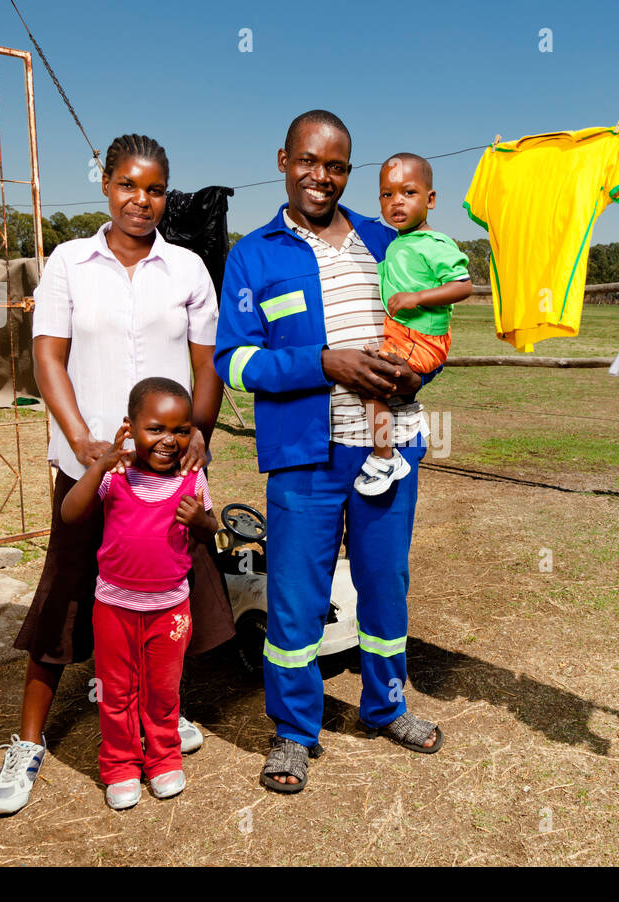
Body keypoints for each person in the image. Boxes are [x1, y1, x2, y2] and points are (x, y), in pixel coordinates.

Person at [0, 134, 223, 816]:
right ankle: (27, 742)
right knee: (67, 593)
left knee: (172, 594)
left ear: (165, 194)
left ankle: (156, 717)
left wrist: (198, 432)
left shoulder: (186, 270)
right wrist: (82, 440)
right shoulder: (69, 263)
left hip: (169, 473)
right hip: (91, 468)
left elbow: (206, 365)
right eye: (127, 185)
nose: (139, 200)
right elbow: (47, 359)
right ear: (106, 185)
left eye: (153, 189)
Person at [215, 110, 444, 795]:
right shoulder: (254, 255)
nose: (322, 176)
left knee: (384, 584)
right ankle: (293, 733)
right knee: (294, 600)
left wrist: (417, 373)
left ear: (350, 171)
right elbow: (235, 361)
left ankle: (386, 707)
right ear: (284, 159)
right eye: (309, 161)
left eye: (337, 166)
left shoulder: (385, 241)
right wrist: (324, 363)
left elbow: (426, 325)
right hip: (302, 453)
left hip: (386, 446)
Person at [60, 377, 218, 810]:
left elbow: (211, 529)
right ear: (130, 427)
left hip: (171, 611)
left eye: (181, 430)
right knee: (116, 693)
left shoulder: (192, 477)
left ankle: (164, 759)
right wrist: (98, 464)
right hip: (114, 609)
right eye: (156, 429)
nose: (169, 440)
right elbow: (70, 514)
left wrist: (200, 521)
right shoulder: (115, 475)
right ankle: (120, 765)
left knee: (163, 692)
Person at [357, 153, 472, 495]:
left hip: (420, 338)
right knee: (372, 376)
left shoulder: (436, 244)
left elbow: (463, 285)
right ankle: (400, 424)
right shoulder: (399, 241)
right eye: (387, 194)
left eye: (408, 193)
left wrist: (415, 298)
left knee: (370, 381)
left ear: (430, 199)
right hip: (402, 334)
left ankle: (384, 456)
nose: (397, 202)